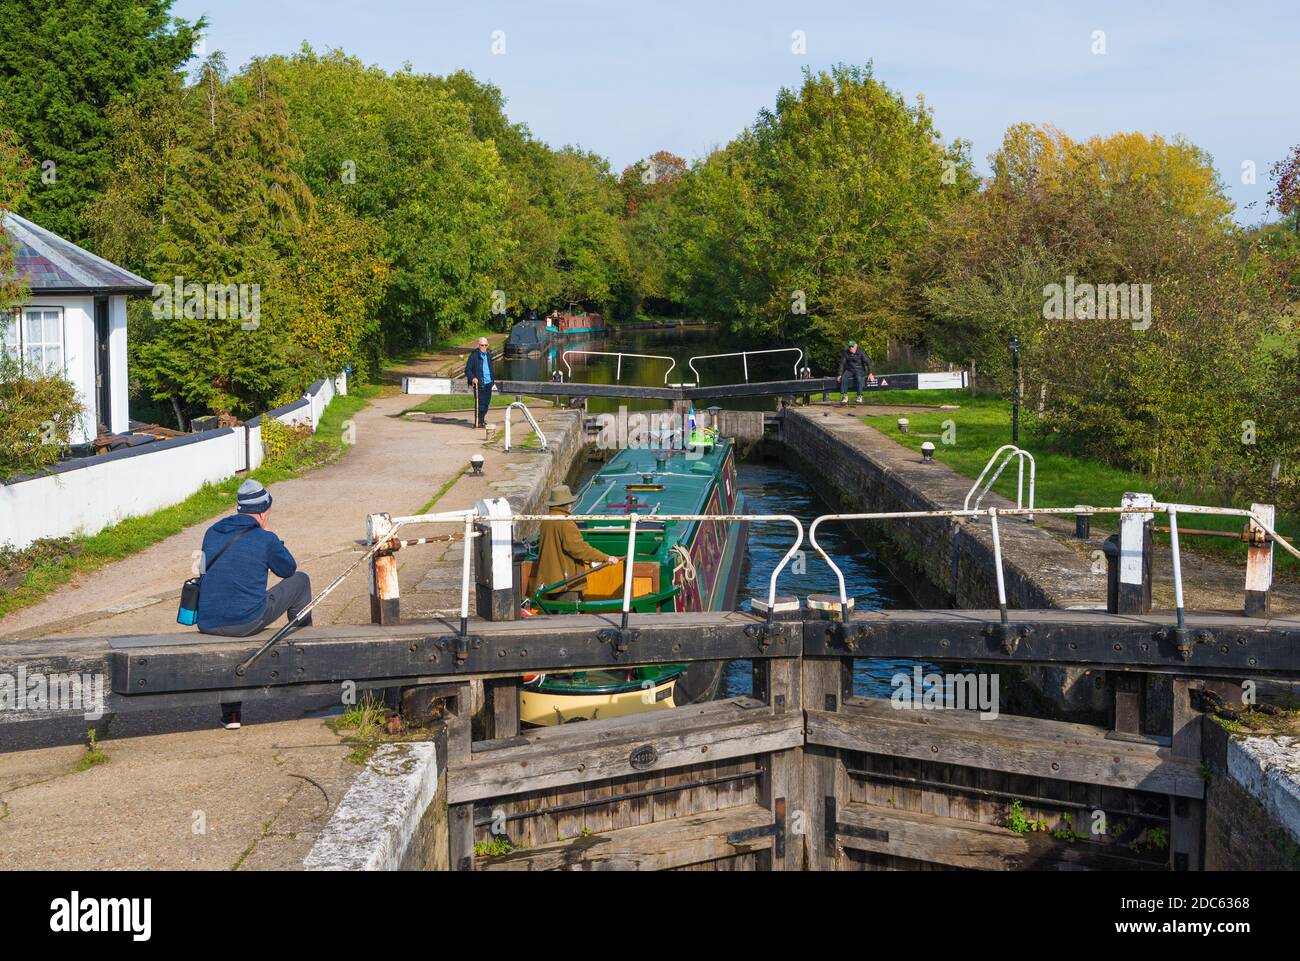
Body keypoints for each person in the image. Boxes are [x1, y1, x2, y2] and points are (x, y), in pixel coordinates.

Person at [196, 479, 312, 729]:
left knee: (231, 638)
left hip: (208, 621)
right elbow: (288, 569)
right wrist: (273, 539)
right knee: (301, 581)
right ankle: (307, 648)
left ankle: (232, 716)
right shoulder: (265, 538)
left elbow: (204, 570)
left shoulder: (212, 532)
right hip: (245, 621)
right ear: (262, 511)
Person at [532, 485, 619, 603]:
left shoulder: (546, 520)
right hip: (566, 583)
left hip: (548, 582)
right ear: (566, 504)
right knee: (568, 616)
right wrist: (606, 558)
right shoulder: (565, 522)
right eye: (570, 502)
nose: (571, 505)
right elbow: (579, 549)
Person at [465, 337, 495, 428]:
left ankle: (481, 420)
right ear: (479, 345)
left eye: (485, 345)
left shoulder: (488, 355)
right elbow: (467, 369)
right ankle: (478, 421)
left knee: (486, 403)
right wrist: (473, 378)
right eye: (482, 345)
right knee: (480, 404)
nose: (484, 347)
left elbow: (490, 368)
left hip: (488, 383)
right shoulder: (474, 355)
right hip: (479, 383)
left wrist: (492, 380)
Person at [837, 340, 877, 405]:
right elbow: (842, 364)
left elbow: (868, 362)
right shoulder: (846, 353)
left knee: (859, 378)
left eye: (852, 346)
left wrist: (870, 373)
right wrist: (839, 374)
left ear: (856, 346)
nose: (850, 348)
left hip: (859, 369)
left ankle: (859, 396)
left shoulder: (861, 352)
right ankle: (845, 396)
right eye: (849, 346)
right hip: (849, 370)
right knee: (844, 378)